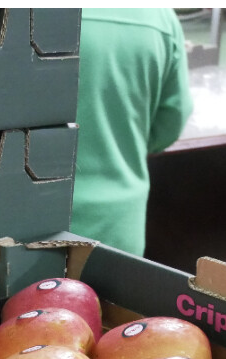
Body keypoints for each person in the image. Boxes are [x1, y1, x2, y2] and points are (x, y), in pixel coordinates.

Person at [71, 9, 193, 257]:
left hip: (26, 221)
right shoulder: (159, 17)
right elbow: (171, 119)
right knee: (109, 297)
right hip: (117, 226)